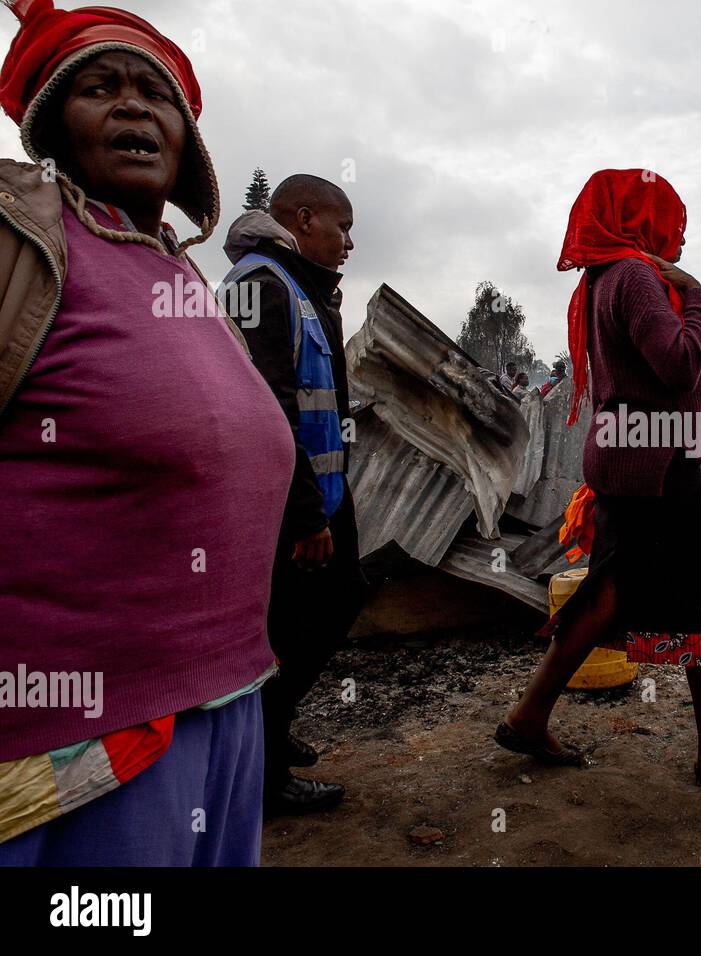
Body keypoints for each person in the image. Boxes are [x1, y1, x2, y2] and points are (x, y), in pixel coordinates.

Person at [0, 0, 293, 864]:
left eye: (154, 93)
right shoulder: (21, 241)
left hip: (226, 701)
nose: (134, 107)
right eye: (100, 88)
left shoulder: (176, 269)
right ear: (52, 126)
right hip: (83, 737)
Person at [498, 169, 701, 786]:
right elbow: (681, 365)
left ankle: (529, 714)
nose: (678, 244)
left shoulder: (601, 279)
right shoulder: (633, 276)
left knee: (609, 587)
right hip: (658, 462)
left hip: (627, 456)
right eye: (671, 227)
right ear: (640, 221)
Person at [223, 174, 364, 816]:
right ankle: (264, 768)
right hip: (292, 504)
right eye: (343, 228)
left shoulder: (299, 288)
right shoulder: (260, 286)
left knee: (325, 612)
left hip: (321, 492)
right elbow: (268, 408)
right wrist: (305, 513)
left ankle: (270, 737)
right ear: (303, 219)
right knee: (299, 627)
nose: (349, 243)